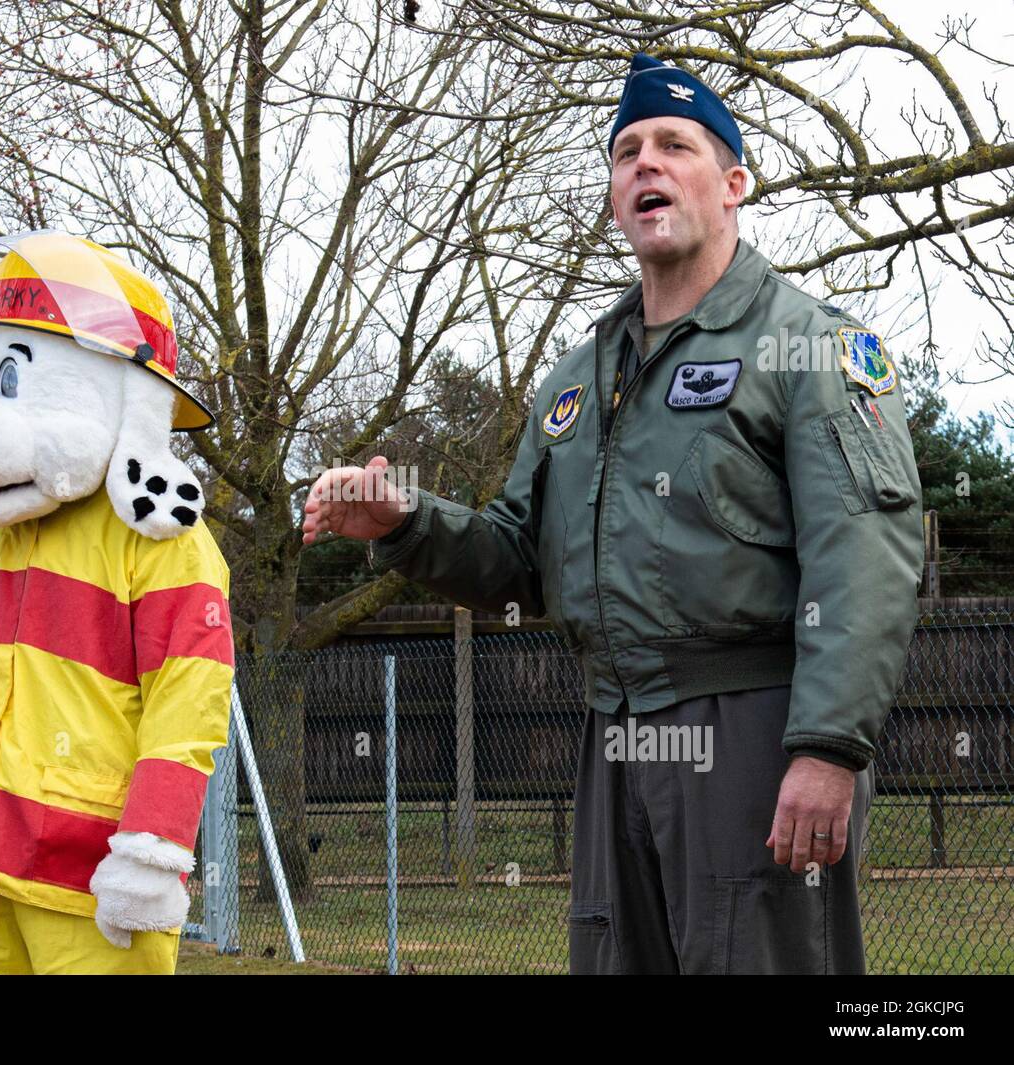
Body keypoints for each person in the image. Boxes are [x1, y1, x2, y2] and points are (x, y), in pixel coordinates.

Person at [301, 53, 924, 974]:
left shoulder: (810, 344)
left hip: (753, 723)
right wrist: (405, 521)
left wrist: (828, 747)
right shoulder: (580, 379)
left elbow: (864, 553)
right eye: (627, 151)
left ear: (734, 184)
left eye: (676, 146)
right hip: (617, 726)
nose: (646, 164)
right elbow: (519, 557)